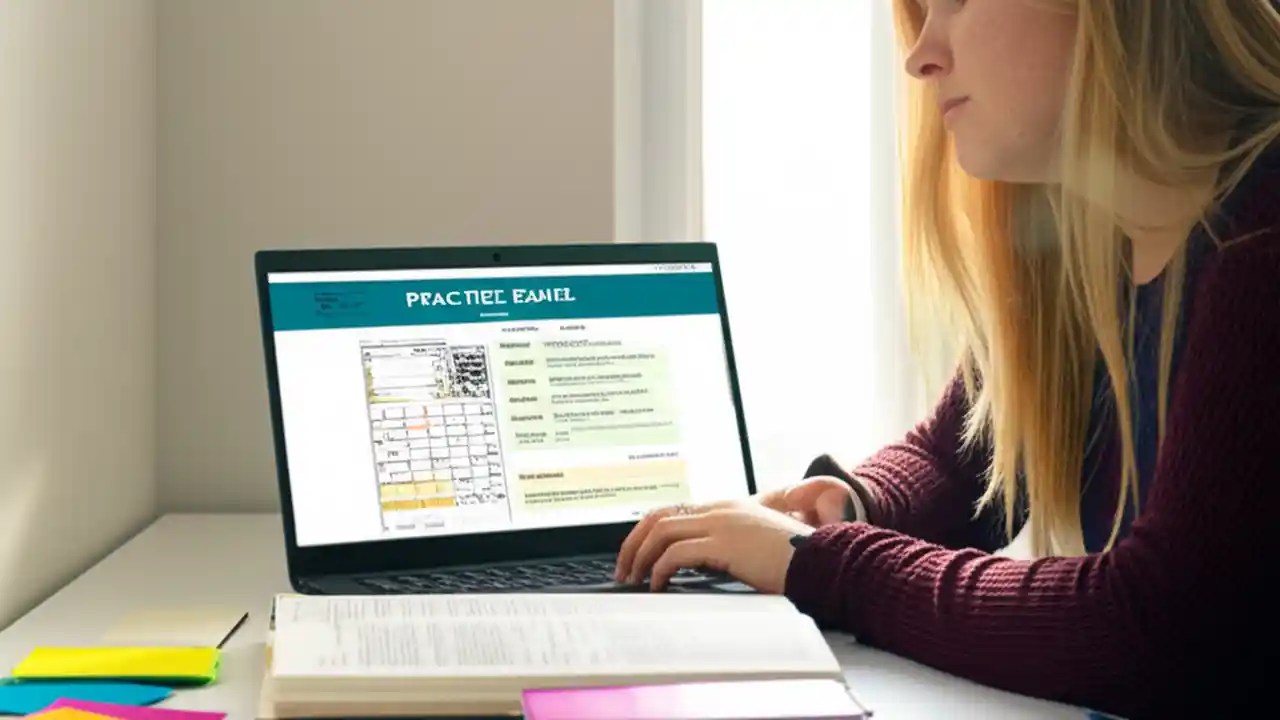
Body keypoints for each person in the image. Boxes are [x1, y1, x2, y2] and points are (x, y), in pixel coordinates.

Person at [614, 1, 1280, 717]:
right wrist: (849, 504)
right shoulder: (1091, 244)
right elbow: (966, 461)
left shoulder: (1263, 243)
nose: (920, 57)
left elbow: (1157, 626)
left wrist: (818, 563)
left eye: (956, 3)